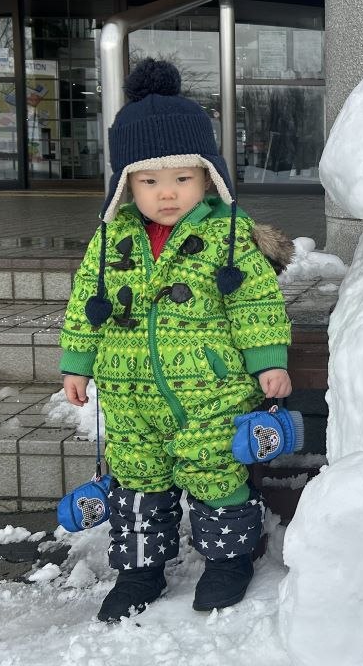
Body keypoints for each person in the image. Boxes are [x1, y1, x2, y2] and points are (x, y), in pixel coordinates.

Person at [59, 58, 293, 624]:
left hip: (210, 393)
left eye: (181, 179)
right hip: (129, 394)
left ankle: (228, 563)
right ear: (126, 185)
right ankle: (140, 572)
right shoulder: (111, 239)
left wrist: (268, 362)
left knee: (215, 473)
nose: (167, 194)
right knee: (137, 482)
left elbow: (254, 301)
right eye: (149, 181)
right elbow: (85, 302)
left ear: (208, 175)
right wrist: (77, 364)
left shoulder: (227, 234)